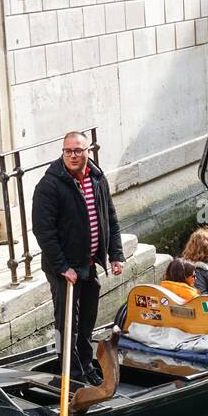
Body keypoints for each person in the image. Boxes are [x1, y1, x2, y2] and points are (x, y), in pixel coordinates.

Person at [31, 131, 125, 385]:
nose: (73, 155)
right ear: (63, 152)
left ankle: (85, 366)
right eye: (68, 151)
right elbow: (43, 231)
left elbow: (110, 218)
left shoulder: (97, 177)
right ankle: (68, 373)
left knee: (87, 321)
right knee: (65, 324)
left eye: (78, 151)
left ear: (88, 152)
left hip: (88, 264)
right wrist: (63, 267)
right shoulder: (49, 186)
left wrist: (115, 254)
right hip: (63, 269)